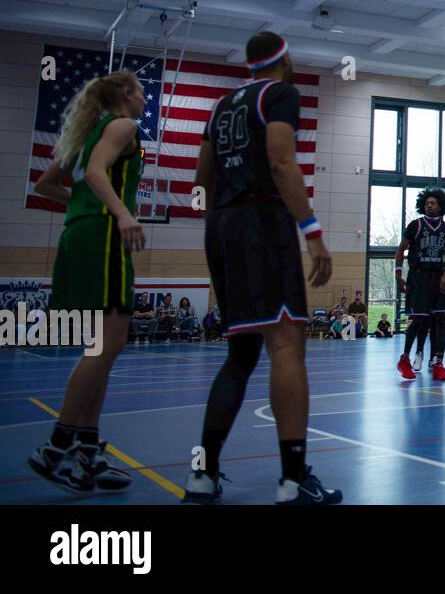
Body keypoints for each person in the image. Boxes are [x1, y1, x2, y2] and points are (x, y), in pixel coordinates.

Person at [184, 32, 340, 504]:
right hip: (262, 223)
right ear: (286, 59)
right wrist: (311, 231)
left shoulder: (220, 106)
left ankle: (203, 474)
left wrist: (224, 233)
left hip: (223, 227)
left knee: (241, 352)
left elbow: (202, 181)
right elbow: (280, 158)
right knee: (288, 340)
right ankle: (293, 480)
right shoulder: (280, 93)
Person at [28, 69, 146, 493]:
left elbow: (46, 184)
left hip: (77, 235)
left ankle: (88, 450)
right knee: (108, 346)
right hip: (104, 239)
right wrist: (123, 213)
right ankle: (58, 447)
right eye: (142, 93)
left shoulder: (84, 134)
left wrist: (84, 204)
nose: (145, 101)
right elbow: (97, 173)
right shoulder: (123, 125)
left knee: (101, 350)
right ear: (128, 95)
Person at [394, 188, 445, 380]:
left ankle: (438, 363)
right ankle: (404, 359)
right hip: (418, 276)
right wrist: (398, 276)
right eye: (426, 203)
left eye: (433, 203)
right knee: (419, 320)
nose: (428, 205)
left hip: (438, 277)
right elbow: (400, 250)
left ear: (441, 206)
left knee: (440, 321)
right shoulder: (415, 225)